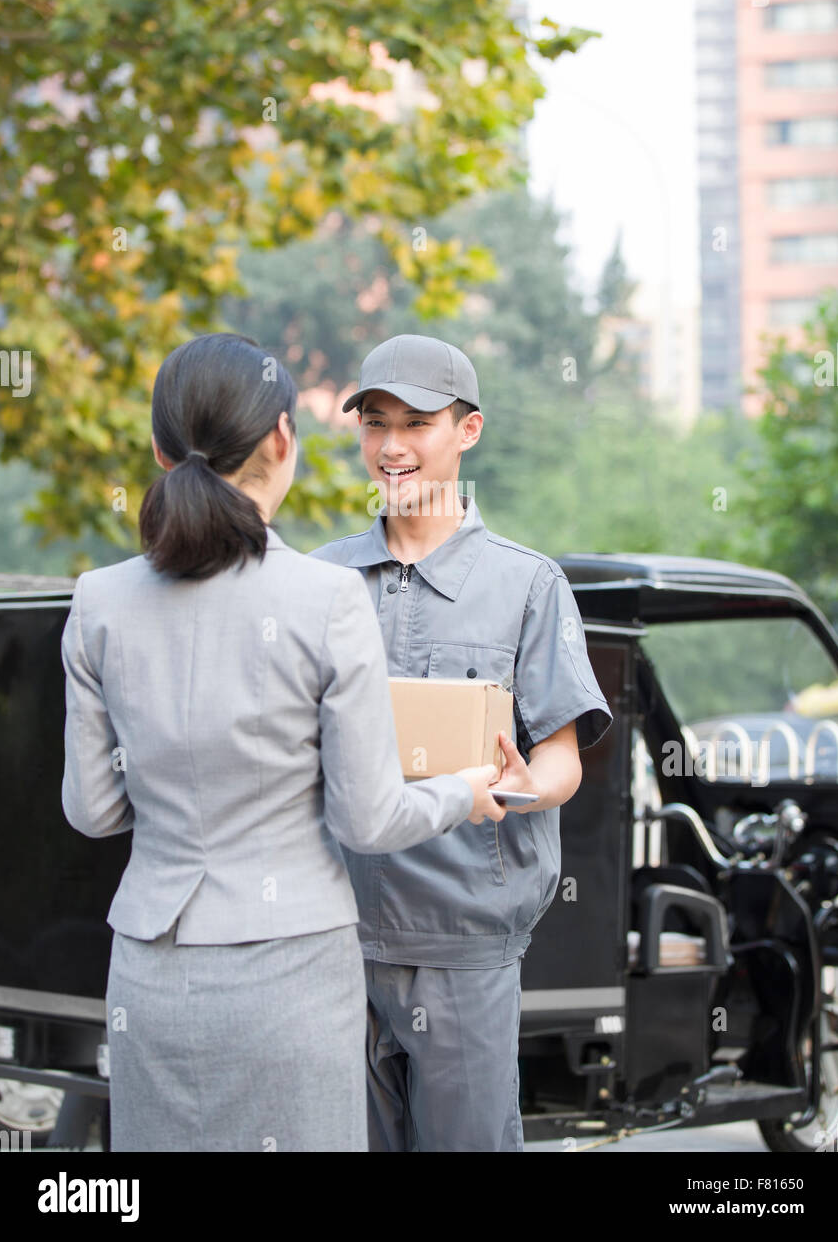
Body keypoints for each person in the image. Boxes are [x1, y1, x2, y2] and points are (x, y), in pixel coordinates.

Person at [59, 330, 505, 1153]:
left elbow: (91, 811)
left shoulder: (99, 602)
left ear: (161, 450)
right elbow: (369, 818)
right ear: (280, 438)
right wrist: (463, 792)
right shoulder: (327, 598)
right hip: (290, 972)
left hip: (151, 973)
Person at [309, 333, 614, 1152]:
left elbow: (561, 760)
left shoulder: (527, 585)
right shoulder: (319, 581)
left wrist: (518, 786)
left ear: (467, 431)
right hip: (332, 940)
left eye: (418, 422)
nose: (393, 447)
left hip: (464, 942)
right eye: (375, 423)